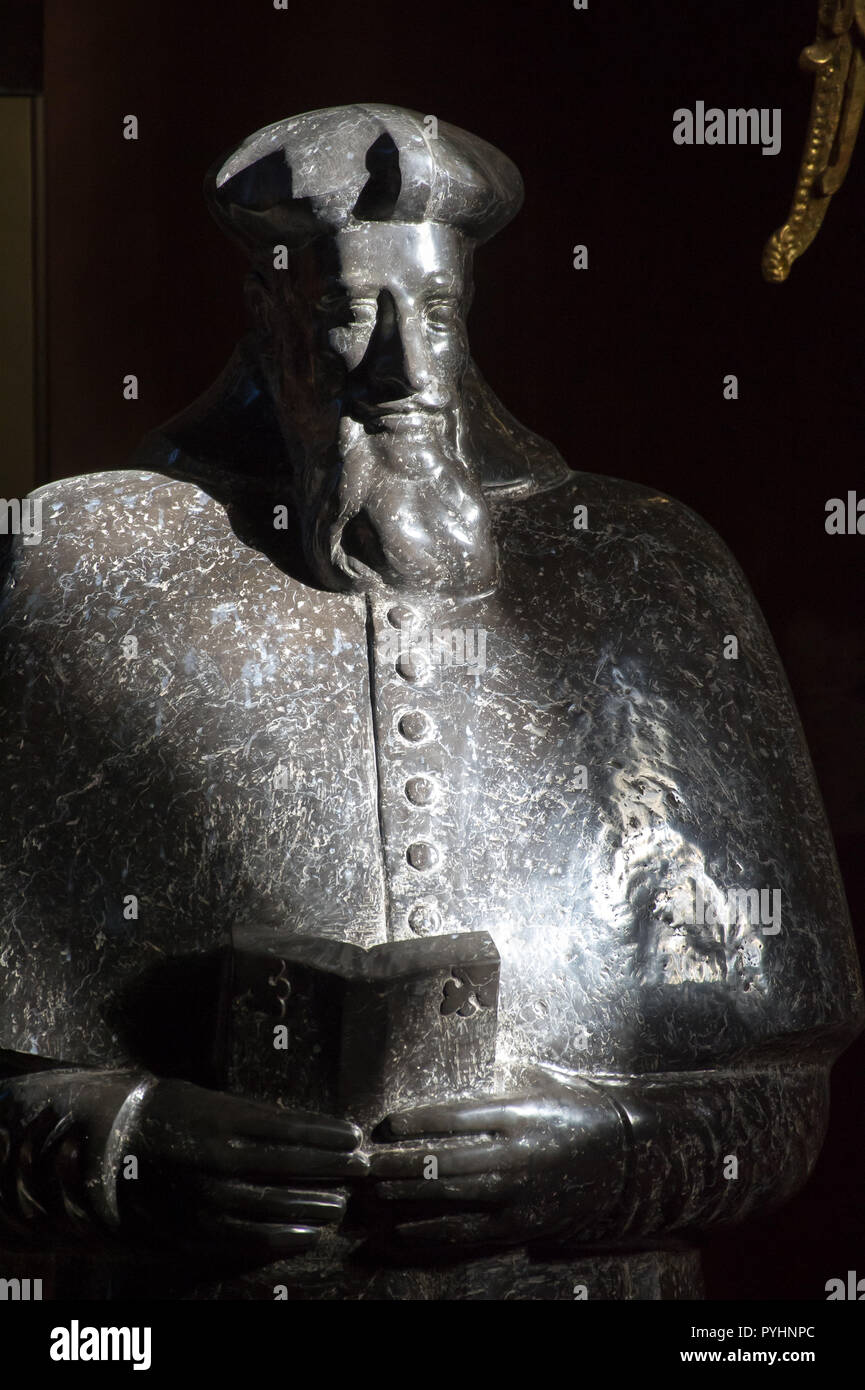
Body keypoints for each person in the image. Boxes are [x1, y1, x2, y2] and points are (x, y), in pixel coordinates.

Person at [0, 105, 861, 1300]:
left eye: (437, 316)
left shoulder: (647, 563)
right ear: (270, 317)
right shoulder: (78, 565)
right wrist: (126, 1150)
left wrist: (599, 1161)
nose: (403, 368)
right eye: (351, 312)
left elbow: (778, 1100)